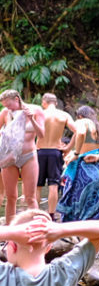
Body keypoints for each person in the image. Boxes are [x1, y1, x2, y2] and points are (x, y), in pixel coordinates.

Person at [56, 105, 99, 265]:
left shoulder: (82, 122)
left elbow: (80, 133)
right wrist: (98, 157)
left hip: (84, 174)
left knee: (81, 212)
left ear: (79, 116)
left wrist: (77, 154)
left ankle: (85, 255)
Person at [0, 89, 45, 222]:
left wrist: (31, 118)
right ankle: (9, 236)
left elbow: (42, 135)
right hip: (9, 157)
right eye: (5, 106)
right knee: (11, 197)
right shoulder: (5, 113)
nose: (7, 108)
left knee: (30, 197)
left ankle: (36, 230)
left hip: (28, 156)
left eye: (9, 105)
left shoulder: (36, 110)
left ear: (17, 100)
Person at [38, 93, 76, 218]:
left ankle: (36, 215)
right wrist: (68, 147)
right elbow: (78, 131)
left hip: (40, 151)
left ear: (44, 102)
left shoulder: (39, 114)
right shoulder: (64, 115)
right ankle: (51, 216)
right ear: (55, 103)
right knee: (53, 185)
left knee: (37, 186)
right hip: (55, 152)